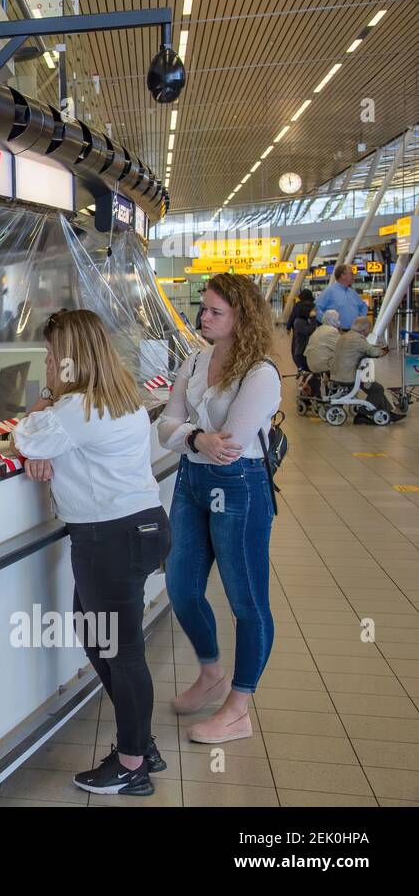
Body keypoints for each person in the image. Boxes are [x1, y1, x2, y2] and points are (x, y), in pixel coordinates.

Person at [12, 309, 170, 797]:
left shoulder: (75, 410)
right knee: (104, 639)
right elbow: (40, 439)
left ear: (68, 360)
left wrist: (39, 432)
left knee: (120, 652)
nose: (44, 360)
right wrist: (44, 446)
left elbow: (22, 434)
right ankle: (140, 744)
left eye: (50, 354)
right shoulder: (118, 398)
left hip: (109, 539)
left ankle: (131, 764)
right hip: (140, 528)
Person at [159, 272, 280, 745]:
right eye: (203, 309)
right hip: (192, 485)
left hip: (240, 489)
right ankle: (211, 672)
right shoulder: (194, 360)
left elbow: (229, 446)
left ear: (240, 317)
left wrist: (190, 438)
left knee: (247, 602)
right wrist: (195, 437)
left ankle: (238, 707)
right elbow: (165, 428)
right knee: (181, 586)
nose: (203, 317)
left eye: (215, 311)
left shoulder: (261, 373)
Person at [330, 315, 400, 421]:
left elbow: (364, 349)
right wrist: (384, 351)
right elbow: (374, 352)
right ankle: (362, 415)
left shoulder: (346, 335)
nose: (369, 331)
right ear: (364, 329)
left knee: (375, 387)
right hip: (349, 377)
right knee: (377, 389)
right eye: (369, 328)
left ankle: (388, 413)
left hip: (338, 374)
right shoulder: (358, 339)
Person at [314, 264, 367, 331]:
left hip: (353, 332)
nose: (354, 276)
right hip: (337, 332)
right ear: (343, 275)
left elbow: (363, 306)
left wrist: (360, 319)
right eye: (351, 273)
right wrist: (327, 323)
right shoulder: (329, 291)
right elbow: (316, 308)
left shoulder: (353, 293)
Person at [284, 288, 316, 372]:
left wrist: (288, 327)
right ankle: (306, 366)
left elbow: (292, 316)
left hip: (298, 328)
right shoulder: (313, 305)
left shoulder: (297, 305)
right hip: (311, 329)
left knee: (296, 348)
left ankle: (300, 367)